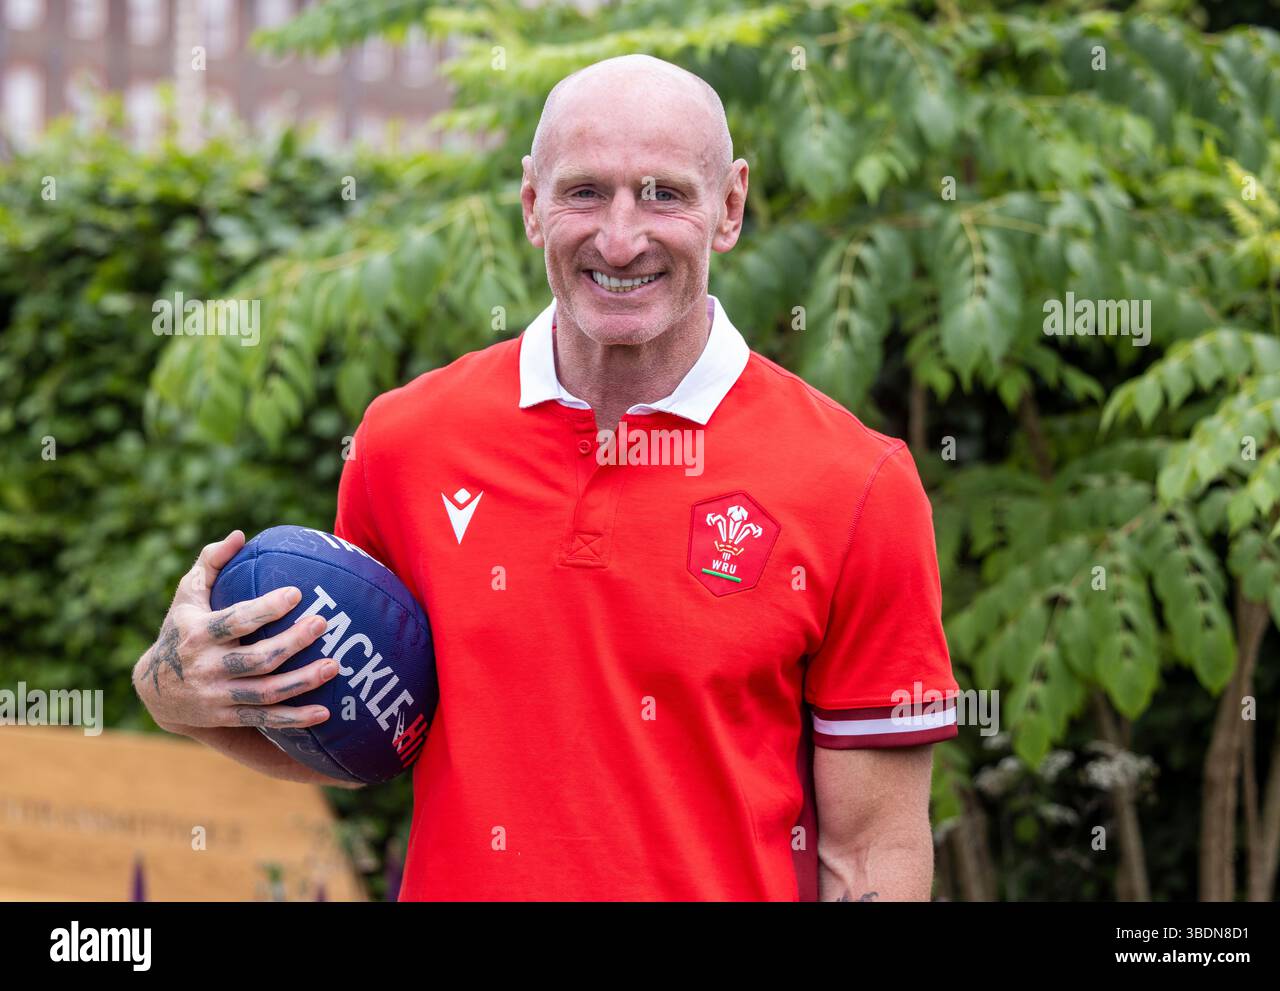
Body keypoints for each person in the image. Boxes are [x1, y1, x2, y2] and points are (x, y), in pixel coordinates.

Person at [134, 54, 960, 901]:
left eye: (664, 195)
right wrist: (176, 689)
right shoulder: (405, 441)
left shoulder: (856, 483)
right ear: (532, 204)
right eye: (585, 192)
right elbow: (363, 736)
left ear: (730, 206)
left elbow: (873, 854)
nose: (620, 239)